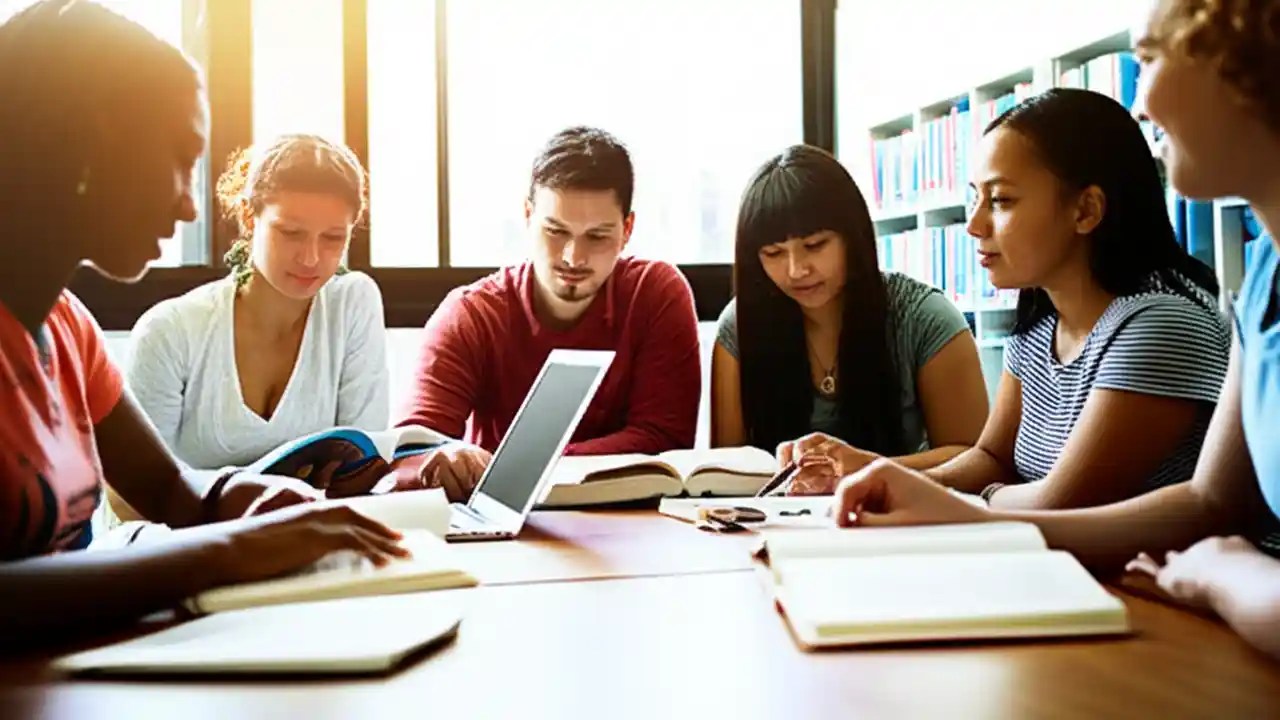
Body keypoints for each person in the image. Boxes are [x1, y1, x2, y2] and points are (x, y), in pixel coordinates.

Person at [830, 0, 1280, 661]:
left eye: (1149, 59)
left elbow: (1200, 522)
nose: (1143, 103)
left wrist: (1224, 572)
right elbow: (1211, 501)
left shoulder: (1160, 322)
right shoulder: (1262, 270)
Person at [0, 0, 405, 642]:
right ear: (85, 141)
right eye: (181, 157)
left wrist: (248, 504)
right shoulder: (164, 325)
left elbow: (168, 488)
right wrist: (229, 551)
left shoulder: (70, 330)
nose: (191, 205)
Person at [796, 88, 1231, 511]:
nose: (974, 225)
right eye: (975, 198)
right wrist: (874, 477)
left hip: (1160, 581)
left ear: (1086, 211)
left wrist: (963, 498)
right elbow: (991, 459)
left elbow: (1061, 501)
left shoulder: (1164, 325)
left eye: (1000, 200)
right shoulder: (1039, 328)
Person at [395, 127, 701, 501]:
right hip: (508, 527)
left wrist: (520, 467)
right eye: (556, 231)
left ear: (627, 230)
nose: (574, 257)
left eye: (597, 236)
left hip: (631, 520)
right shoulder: (471, 315)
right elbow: (410, 450)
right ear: (528, 215)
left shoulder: (654, 293)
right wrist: (443, 456)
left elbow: (666, 439)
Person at [712, 145, 989, 492]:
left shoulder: (925, 317)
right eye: (774, 253)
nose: (797, 270)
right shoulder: (740, 327)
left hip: (900, 522)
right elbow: (726, 472)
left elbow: (978, 460)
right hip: (776, 530)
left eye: (815, 245)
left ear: (853, 237)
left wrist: (863, 469)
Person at [123, 135, 388, 474]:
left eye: (334, 238)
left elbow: (359, 469)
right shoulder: (170, 331)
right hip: (187, 529)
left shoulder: (352, 304)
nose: (311, 258)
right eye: (290, 233)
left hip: (312, 526)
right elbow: (131, 494)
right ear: (249, 216)